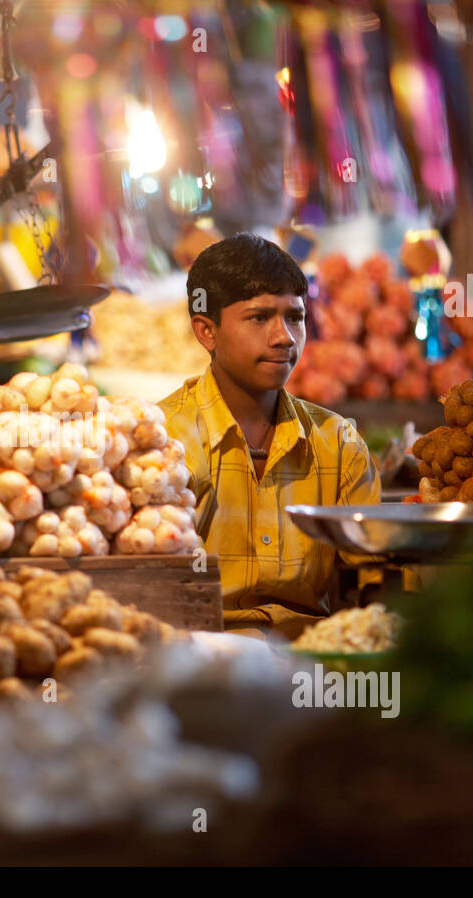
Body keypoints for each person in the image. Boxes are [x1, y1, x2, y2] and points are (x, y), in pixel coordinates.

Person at [159, 233, 381, 639]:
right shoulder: (163, 442)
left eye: (295, 317)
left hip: (314, 668)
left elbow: (372, 582)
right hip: (197, 668)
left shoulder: (339, 443)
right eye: (259, 318)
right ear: (206, 331)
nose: (284, 337)